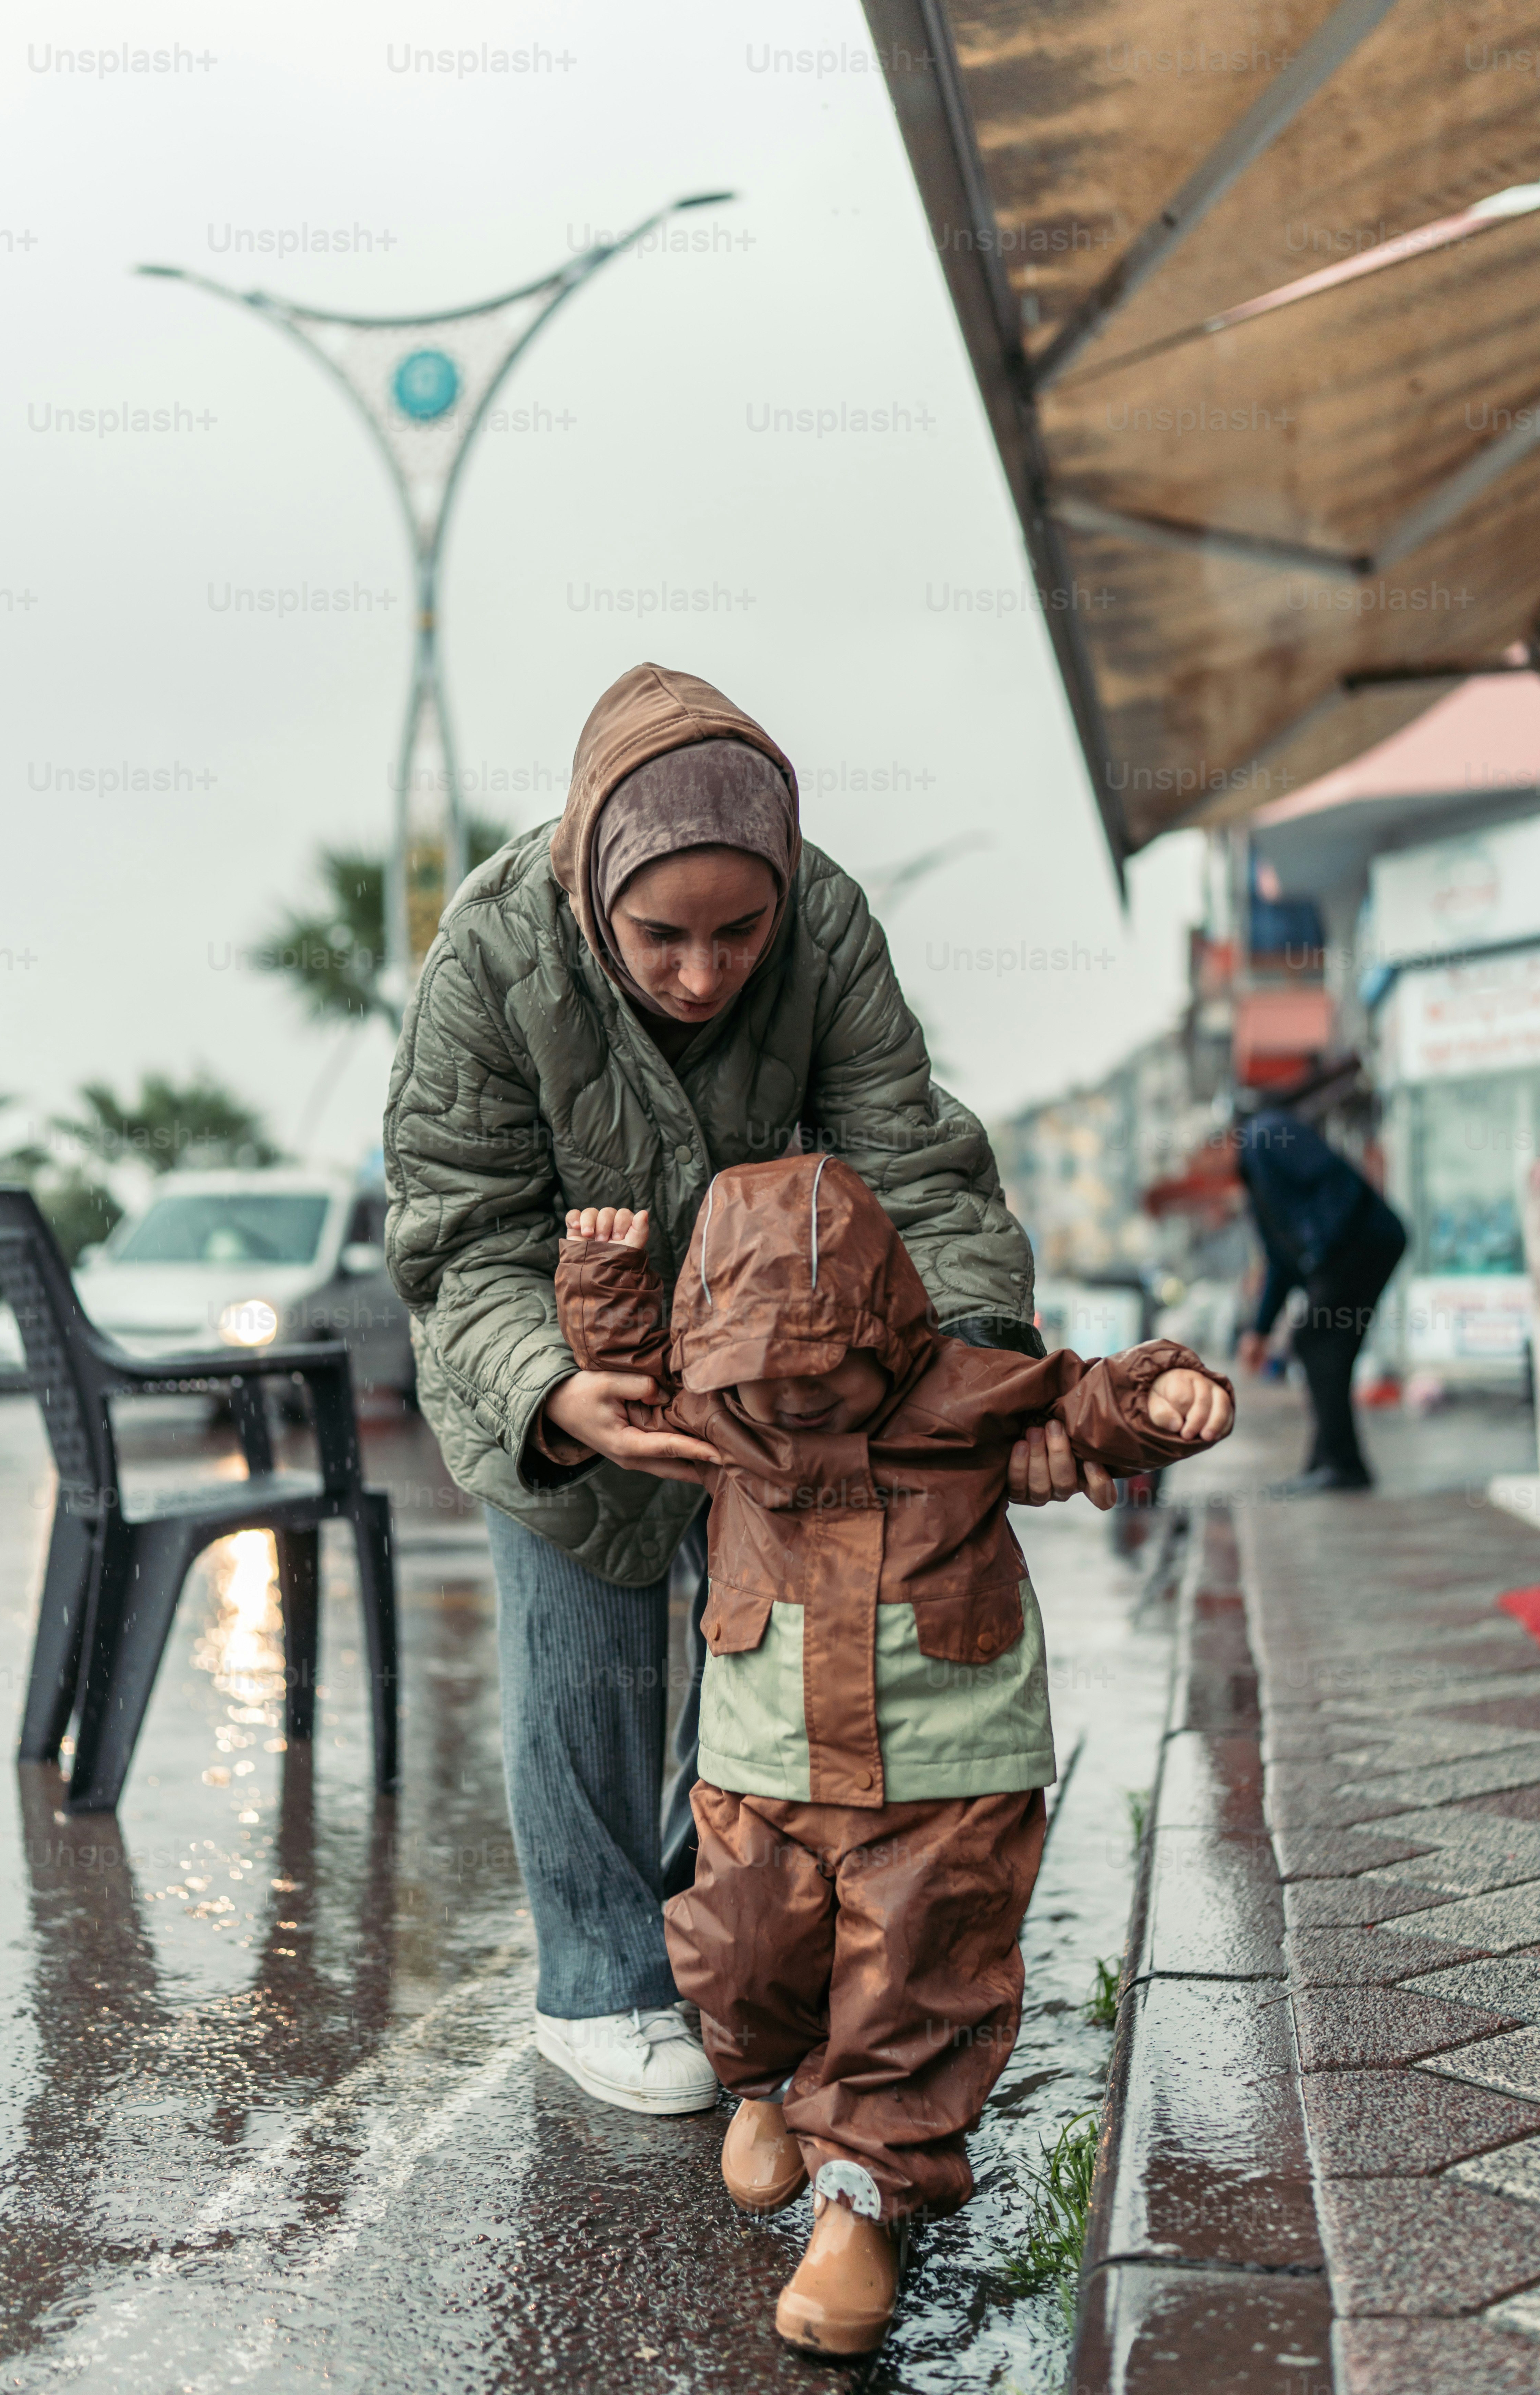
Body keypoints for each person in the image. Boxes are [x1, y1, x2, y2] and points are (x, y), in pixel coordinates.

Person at [384, 661, 1116, 2119]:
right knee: (581, 1653)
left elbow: (912, 1163)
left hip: (765, 1368)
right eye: (661, 936)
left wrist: (982, 1383)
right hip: (549, 1357)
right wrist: (551, 1389)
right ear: (593, 885)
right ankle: (591, 1985)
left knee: (750, 1656)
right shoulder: (486, 956)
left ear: (784, 884)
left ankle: (678, 1928)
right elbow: (459, 1226)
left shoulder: (830, 924)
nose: (705, 974)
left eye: (739, 931)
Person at [554, 1155, 1233, 2354]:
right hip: (767, 1752)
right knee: (741, 1946)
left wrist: (1160, 1394)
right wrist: (607, 1280)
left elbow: (1078, 1399)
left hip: (947, 1758)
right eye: (766, 1376)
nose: (801, 1400)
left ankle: (861, 2197)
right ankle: (764, 2083)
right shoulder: (712, 1404)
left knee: (918, 1972)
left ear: (896, 1331)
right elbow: (641, 1379)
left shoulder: (964, 1389)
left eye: (832, 1371)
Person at [1235, 1105, 1407, 1492]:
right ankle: (1330, 1463)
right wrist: (1257, 1331)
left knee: (1315, 1340)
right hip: (1353, 1249)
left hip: (1365, 1241)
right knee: (1325, 1347)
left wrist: (1321, 1249)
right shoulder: (1256, 1191)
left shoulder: (1266, 1133)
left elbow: (1328, 1176)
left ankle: (1341, 1467)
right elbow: (1278, 1265)